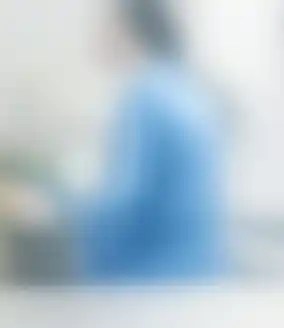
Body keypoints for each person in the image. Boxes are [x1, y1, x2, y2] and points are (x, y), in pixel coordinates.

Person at [0, 0, 226, 283]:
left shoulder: (146, 96)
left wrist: (50, 207)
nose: (97, 38)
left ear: (126, 31)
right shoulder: (184, 89)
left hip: (150, 281)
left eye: (106, 28)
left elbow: (124, 201)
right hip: (192, 275)